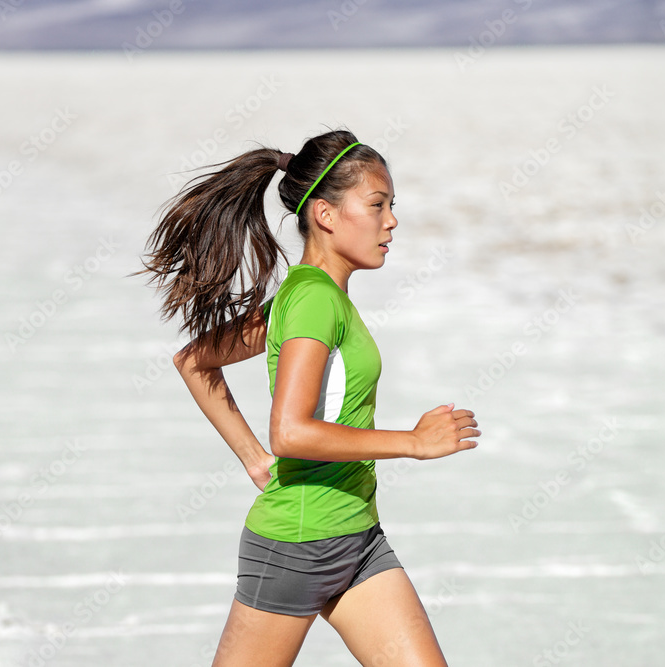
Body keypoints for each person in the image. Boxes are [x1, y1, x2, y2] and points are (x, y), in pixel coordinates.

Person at [139, 128, 480, 666]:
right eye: (376, 205)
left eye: (392, 206)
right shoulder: (313, 301)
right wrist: (413, 442)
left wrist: (256, 461)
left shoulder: (306, 296)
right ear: (324, 214)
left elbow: (194, 360)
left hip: (358, 540)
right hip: (295, 549)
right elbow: (290, 432)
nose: (391, 221)